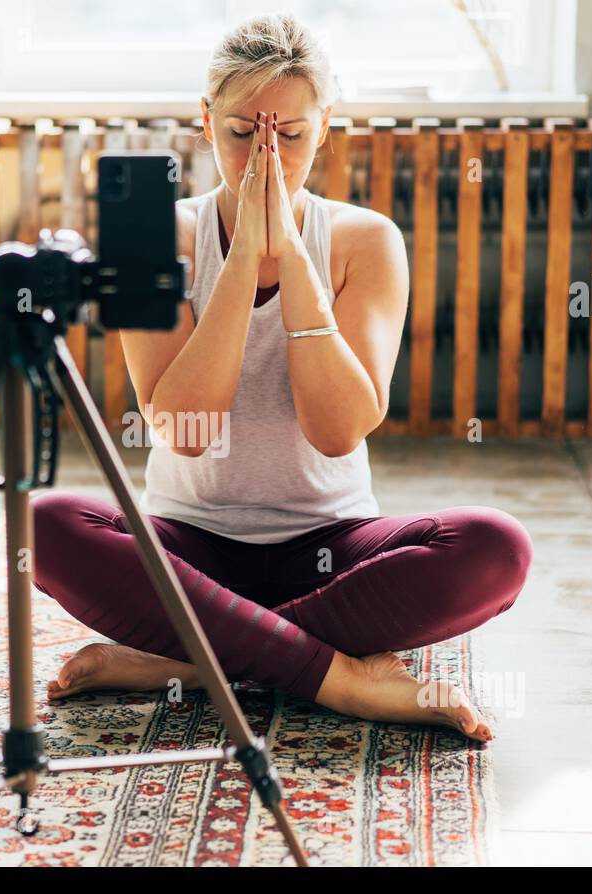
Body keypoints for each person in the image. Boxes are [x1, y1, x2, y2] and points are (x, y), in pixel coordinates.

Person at [32, 13, 532, 742]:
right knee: (45, 527)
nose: (265, 155)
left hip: (332, 552)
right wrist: (239, 264)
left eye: (290, 135)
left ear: (324, 127)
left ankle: (197, 660)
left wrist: (293, 258)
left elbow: (337, 433)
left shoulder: (366, 240)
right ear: (205, 123)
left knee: (497, 548)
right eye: (241, 132)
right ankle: (338, 678)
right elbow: (183, 430)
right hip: (189, 547)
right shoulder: (150, 230)